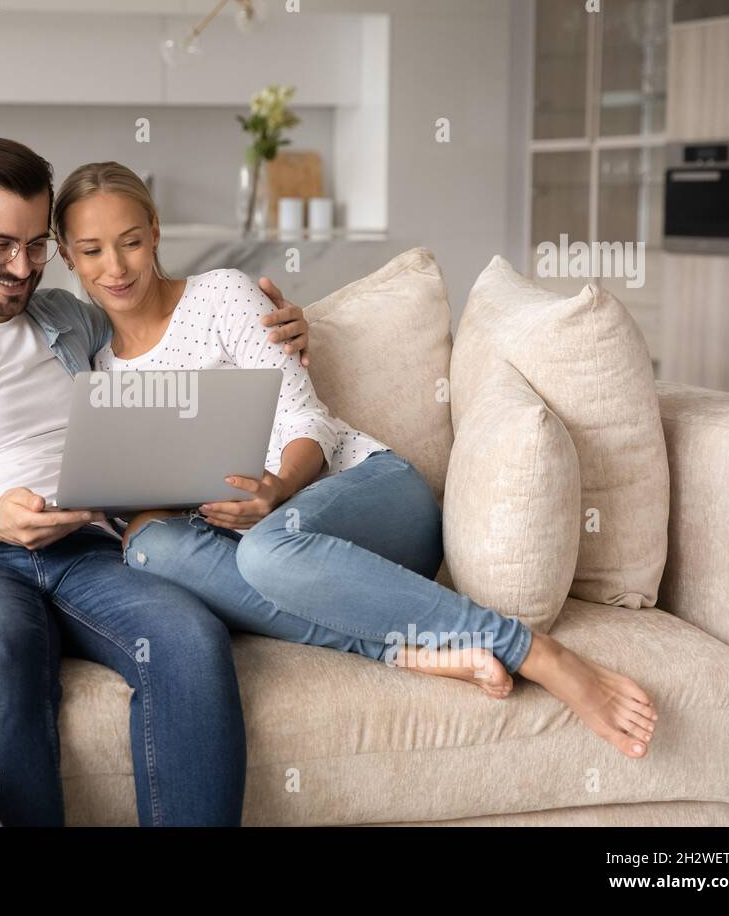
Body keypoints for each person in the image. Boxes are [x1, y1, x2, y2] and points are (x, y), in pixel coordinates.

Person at [51, 160, 659, 761]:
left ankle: (536, 652)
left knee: (268, 551)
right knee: (151, 548)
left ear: (155, 231)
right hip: (271, 557)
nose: (117, 267)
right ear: (67, 255)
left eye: (130, 242)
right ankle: (404, 648)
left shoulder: (222, 296)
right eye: (93, 250)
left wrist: (277, 488)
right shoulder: (94, 362)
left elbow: (305, 419)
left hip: (365, 492)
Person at [0, 138, 314, 826]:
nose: (22, 268)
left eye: (36, 246)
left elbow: (167, 326)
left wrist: (293, 328)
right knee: (2, 651)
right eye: (1, 245)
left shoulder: (69, 318)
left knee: (187, 639)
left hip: (88, 549)